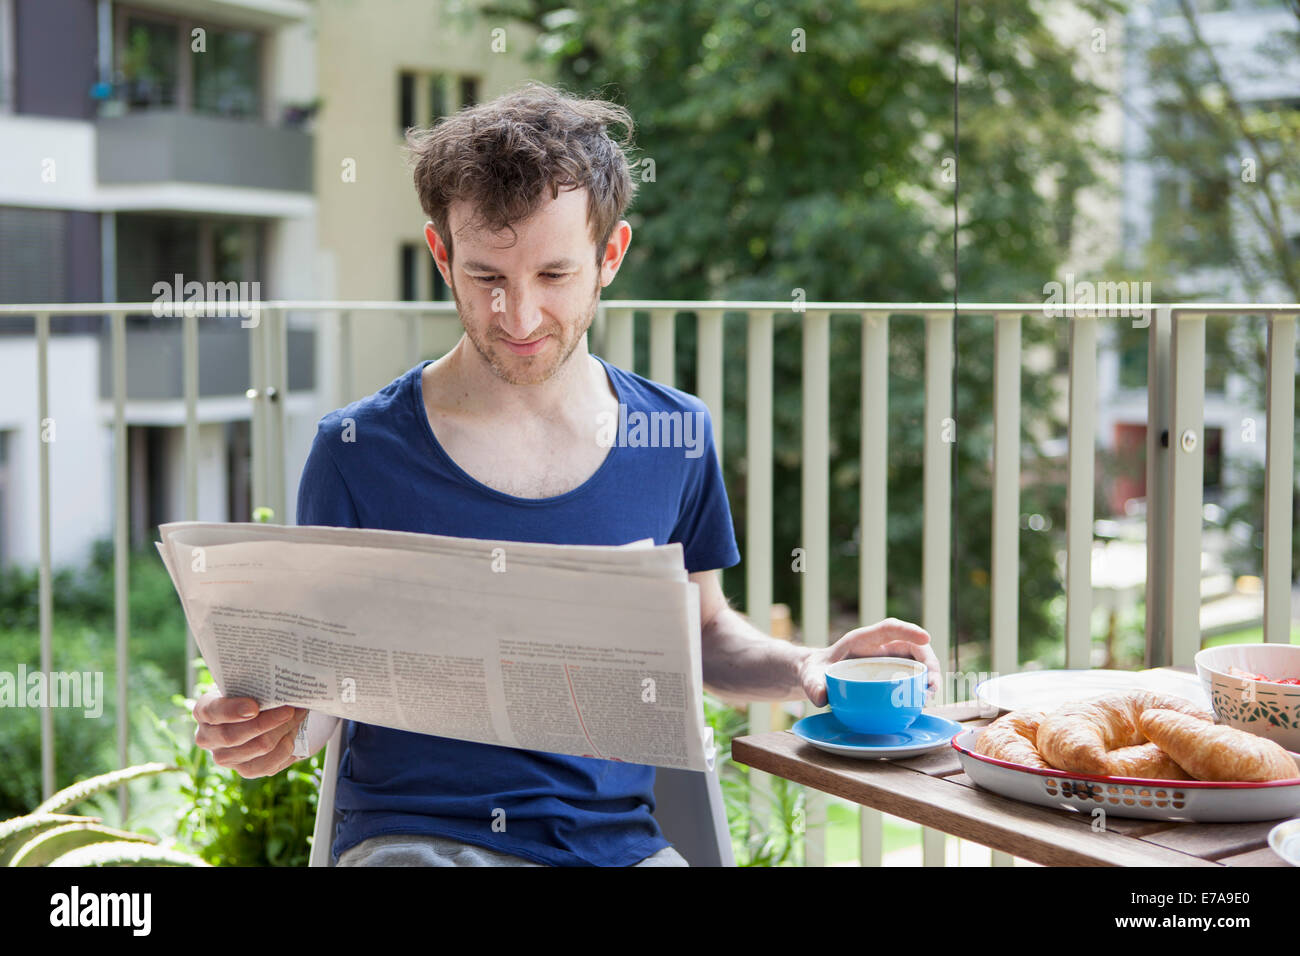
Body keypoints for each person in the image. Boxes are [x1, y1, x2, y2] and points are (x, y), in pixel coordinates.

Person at [191, 81, 939, 867]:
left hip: (618, 850)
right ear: (441, 253)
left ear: (609, 256)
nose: (517, 318)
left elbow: (705, 633)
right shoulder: (358, 449)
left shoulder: (673, 434)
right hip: (420, 844)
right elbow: (319, 688)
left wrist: (809, 667)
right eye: (486, 277)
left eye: (553, 276)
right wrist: (270, 728)